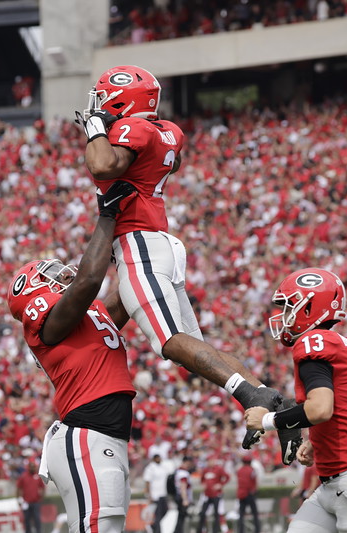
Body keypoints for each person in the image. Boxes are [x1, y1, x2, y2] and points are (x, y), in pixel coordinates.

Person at [75, 64, 299, 461]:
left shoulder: (136, 130)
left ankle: (247, 394)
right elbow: (168, 162)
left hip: (139, 244)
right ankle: (268, 397)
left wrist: (96, 128)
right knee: (180, 341)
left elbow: (103, 165)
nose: (98, 104)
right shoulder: (167, 131)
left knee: (170, 343)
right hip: (158, 241)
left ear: (123, 100)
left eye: (104, 96)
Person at [6, 181, 138, 533]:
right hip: (86, 435)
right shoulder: (48, 325)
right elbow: (87, 281)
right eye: (50, 277)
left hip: (105, 437)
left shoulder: (86, 315)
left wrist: (140, 248)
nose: (63, 274)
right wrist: (107, 215)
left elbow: (132, 295)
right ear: (35, 296)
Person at [244, 268, 347, 533]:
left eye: (290, 308)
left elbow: (320, 408)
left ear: (310, 308)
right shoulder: (343, 344)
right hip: (332, 485)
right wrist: (317, 440)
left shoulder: (314, 342)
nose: (284, 317)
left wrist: (267, 421)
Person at [196, 458, 229, 533]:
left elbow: (227, 477)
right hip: (207, 495)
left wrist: (220, 485)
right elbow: (202, 480)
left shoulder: (219, 469)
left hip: (216, 495)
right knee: (203, 513)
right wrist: (203, 485)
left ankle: (216, 530)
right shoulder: (205, 470)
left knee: (217, 513)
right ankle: (201, 529)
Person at [143, 454, 172, 533]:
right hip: (155, 494)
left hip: (163, 493)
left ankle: (153, 526)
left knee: (165, 510)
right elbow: (147, 482)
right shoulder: (150, 468)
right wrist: (149, 495)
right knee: (158, 514)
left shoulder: (163, 467)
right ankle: (158, 530)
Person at [17, 461, 45, 533]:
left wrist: (41, 498)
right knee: (27, 520)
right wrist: (19, 499)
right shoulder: (23, 476)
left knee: (37, 519)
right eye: (31, 467)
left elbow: (42, 487)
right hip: (26, 502)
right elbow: (19, 488)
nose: (33, 468)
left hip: (36, 502)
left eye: (34, 466)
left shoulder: (38, 476)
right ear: (28, 467)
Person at [236, 455, 260, 533]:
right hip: (249, 494)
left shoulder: (239, 470)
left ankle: (241, 531)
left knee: (241, 515)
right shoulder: (252, 470)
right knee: (255, 514)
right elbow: (254, 482)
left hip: (241, 494)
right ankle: (257, 530)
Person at [173, 456, 194, 533]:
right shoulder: (183, 473)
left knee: (181, 517)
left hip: (179, 496)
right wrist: (185, 499)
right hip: (182, 497)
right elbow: (183, 487)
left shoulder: (178, 471)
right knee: (181, 518)